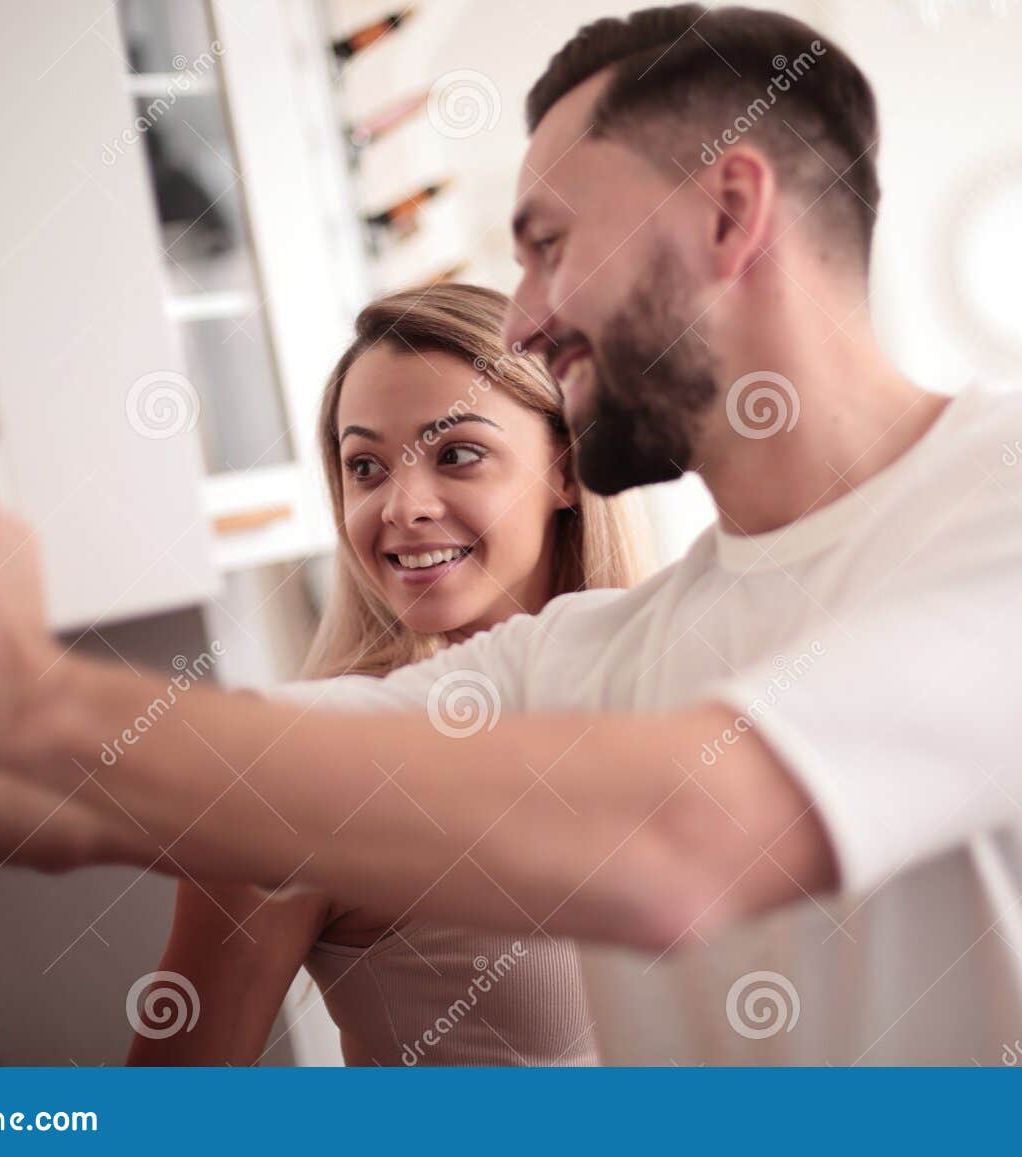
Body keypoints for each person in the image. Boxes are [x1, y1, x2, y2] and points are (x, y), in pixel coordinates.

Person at [0, 5, 1022, 1064]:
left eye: (546, 242)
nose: (527, 313)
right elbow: (105, 793)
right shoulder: (597, 659)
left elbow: (684, 843)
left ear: (731, 212)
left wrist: (29, 694)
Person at [129, 283, 645, 1066]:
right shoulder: (298, 774)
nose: (400, 506)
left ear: (566, 468)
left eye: (457, 454)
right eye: (365, 466)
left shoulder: (677, 708)